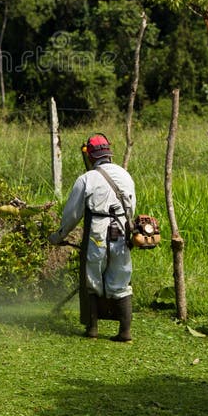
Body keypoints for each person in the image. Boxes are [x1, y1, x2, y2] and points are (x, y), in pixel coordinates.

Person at [48, 133, 136, 341]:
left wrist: (58, 236)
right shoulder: (125, 175)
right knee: (121, 280)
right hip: (122, 231)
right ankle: (124, 332)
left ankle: (92, 329)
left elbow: (72, 215)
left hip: (97, 231)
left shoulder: (86, 179)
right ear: (109, 153)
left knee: (92, 279)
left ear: (91, 156)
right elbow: (131, 208)